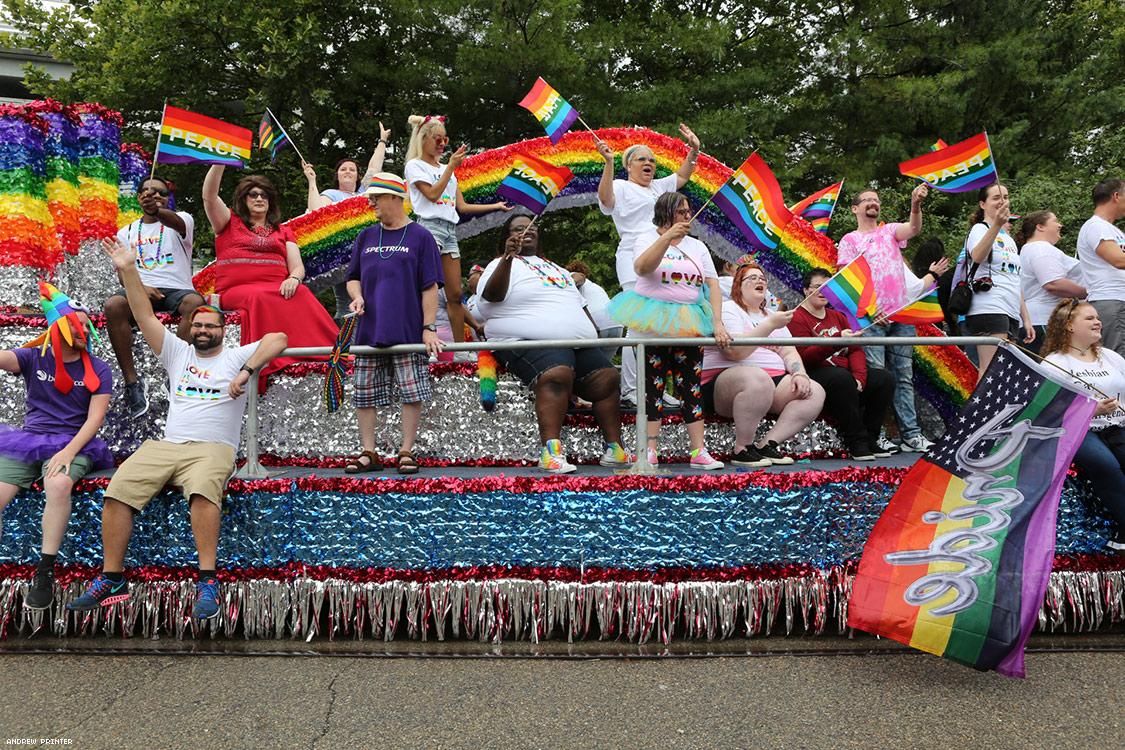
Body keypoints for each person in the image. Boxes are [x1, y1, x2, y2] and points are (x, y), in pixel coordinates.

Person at [68, 241, 288, 619]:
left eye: (210, 325)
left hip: (212, 448)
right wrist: (129, 270)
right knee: (117, 492)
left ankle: (207, 580)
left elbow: (278, 339)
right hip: (168, 446)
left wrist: (247, 371)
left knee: (203, 491)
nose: (202, 330)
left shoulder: (236, 355)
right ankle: (112, 577)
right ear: (189, 328)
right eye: (197, 324)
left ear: (224, 330)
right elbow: (141, 312)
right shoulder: (177, 352)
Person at [477, 215, 632, 473]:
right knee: (557, 374)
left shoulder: (557, 269)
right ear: (507, 237)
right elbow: (492, 296)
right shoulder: (499, 264)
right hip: (524, 340)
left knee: (607, 377)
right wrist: (507, 258)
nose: (526, 231)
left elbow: (580, 306)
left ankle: (614, 449)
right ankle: (550, 452)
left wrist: (589, 333)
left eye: (532, 227)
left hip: (574, 343)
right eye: (518, 228)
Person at [0, 284, 113, 610]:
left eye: (86, 326)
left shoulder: (99, 369)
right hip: (29, 441)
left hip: (75, 442)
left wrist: (68, 452)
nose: (84, 332)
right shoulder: (32, 357)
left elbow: (95, 419)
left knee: (59, 483)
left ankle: (44, 571)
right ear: (59, 327)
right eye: (76, 325)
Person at [608, 192, 732, 469]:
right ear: (665, 212)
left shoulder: (698, 246)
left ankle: (698, 451)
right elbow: (641, 268)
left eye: (689, 211)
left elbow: (711, 285)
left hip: (690, 320)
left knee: (691, 385)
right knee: (653, 386)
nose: (687, 216)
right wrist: (666, 238)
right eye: (681, 211)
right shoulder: (645, 236)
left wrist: (718, 322)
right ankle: (650, 449)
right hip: (652, 319)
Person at [344, 173, 444, 475]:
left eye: (376, 197)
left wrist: (428, 327)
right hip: (369, 328)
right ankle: (368, 451)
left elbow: (430, 287)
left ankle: (406, 449)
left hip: (406, 328)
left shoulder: (421, 236)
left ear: (393, 197)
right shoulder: (366, 236)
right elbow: (353, 277)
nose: (371, 202)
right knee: (363, 392)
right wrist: (357, 297)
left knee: (412, 391)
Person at [202, 166, 338, 387]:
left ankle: (327, 353)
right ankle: (268, 361)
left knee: (301, 291)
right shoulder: (228, 222)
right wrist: (219, 163)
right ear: (243, 199)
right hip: (237, 291)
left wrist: (294, 279)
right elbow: (209, 197)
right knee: (259, 296)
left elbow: (297, 267)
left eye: (264, 195)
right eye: (253, 194)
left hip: (277, 286)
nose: (259, 198)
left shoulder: (283, 230)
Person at [596, 125, 701, 407]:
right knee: (639, 325)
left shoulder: (658, 187)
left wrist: (694, 150)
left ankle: (654, 386)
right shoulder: (620, 185)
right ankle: (631, 390)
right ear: (628, 165)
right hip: (634, 257)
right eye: (642, 159)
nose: (649, 164)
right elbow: (606, 201)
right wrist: (607, 163)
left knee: (661, 327)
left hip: (666, 257)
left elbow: (682, 176)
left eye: (652, 160)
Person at [837, 186, 948, 452]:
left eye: (876, 200)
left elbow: (913, 228)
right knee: (878, 379)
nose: (873, 203)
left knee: (904, 376)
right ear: (855, 208)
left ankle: (911, 434)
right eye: (867, 201)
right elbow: (847, 280)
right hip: (872, 319)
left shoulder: (888, 231)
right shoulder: (850, 240)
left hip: (902, 313)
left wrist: (915, 204)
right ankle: (878, 434)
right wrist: (870, 308)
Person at [701, 262, 825, 467]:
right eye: (752, 278)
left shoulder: (770, 316)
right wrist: (769, 326)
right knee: (759, 379)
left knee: (815, 391)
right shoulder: (728, 309)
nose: (760, 281)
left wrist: (800, 374)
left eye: (763, 279)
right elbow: (735, 352)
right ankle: (742, 448)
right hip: (727, 381)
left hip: (769, 381)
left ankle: (766, 445)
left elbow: (788, 351)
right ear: (738, 286)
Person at [404, 114, 510, 347]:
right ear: (423, 139)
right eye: (437, 139)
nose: (442, 144)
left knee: (454, 294)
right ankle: (416, 340)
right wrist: (451, 167)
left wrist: (496, 206)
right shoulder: (415, 166)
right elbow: (431, 195)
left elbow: (460, 206)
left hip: (450, 231)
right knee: (425, 287)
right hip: (429, 229)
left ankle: (460, 350)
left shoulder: (446, 169)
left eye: (445, 139)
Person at [105, 176, 203, 417]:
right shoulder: (125, 232)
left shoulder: (182, 220)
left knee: (196, 303)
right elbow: (121, 274)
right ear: (139, 198)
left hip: (177, 289)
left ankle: (176, 375)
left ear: (168, 199)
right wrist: (139, 286)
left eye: (161, 193)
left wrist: (158, 210)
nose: (155, 195)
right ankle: (132, 384)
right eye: (149, 192)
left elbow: (173, 220)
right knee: (113, 304)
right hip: (140, 288)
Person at [1041, 299, 1125, 551]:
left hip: (1117, 424)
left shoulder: (1109, 357)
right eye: (1089, 318)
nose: (1098, 322)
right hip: (1077, 429)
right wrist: (1091, 410)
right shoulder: (1054, 362)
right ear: (1068, 325)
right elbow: (1049, 409)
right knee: (1105, 465)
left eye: (1097, 317)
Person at [789, 268, 896, 461]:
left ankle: (871, 438)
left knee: (884, 378)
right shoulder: (797, 317)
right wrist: (837, 339)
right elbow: (806, 356)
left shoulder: (838, 316)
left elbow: (855, 349)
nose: (823, 292)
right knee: (841, 378)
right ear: (805, 290)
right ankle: (857, 442)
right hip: (817, 372)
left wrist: (860, 378)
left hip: (845, 374)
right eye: (817, 287)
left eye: (828, 288)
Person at [302, 122, 391, 320]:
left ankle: (368, 345)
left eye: (352, 169)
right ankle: (346, 348)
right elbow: (316, 211)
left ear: (358, 176)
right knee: (346, 303)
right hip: (343, 257)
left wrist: (383, 140)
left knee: (374, 299)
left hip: (369, 253)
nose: (348, 171)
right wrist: (311, 181)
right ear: (337, 175)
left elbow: (374, 167)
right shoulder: (331, 194)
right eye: (344, 169)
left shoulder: (364, 194)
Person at [958, 183, 1034, 378]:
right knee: (990, 371)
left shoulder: (1008, 239)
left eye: (1006, 197)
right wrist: (996, 225)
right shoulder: (979, 229)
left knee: (1003, 373)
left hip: (1009, 310)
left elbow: (1014, 279)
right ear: (983, 204)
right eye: (996, 197)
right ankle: (977, 410)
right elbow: (977, 256)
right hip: (988, 306)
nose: (1002, 201)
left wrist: (1025, 318)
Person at [1017, 211, 1087, 352]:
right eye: (1055, 220)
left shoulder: (1029, 250)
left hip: (1038, 321)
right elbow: (1053, 283)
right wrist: (1091, 292)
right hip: (1045, 321)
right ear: (1040, 227)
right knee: (1051, 370)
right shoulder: (1040, 248)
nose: (1060, 224)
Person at [1077, 178, 1125, 358]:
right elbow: (1118, 260)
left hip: (1117, 302)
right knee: (1119, 360)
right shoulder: (1096, 226)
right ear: (1116, 196)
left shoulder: (1112, 230)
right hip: (1112, 301)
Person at [567, 260, 622, 354]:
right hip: (616, 324)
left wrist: (569, 285)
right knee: (606, 365)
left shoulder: (569, 276)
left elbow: (579, 277)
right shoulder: (594, 286)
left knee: (588, 364)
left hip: (598, 322)